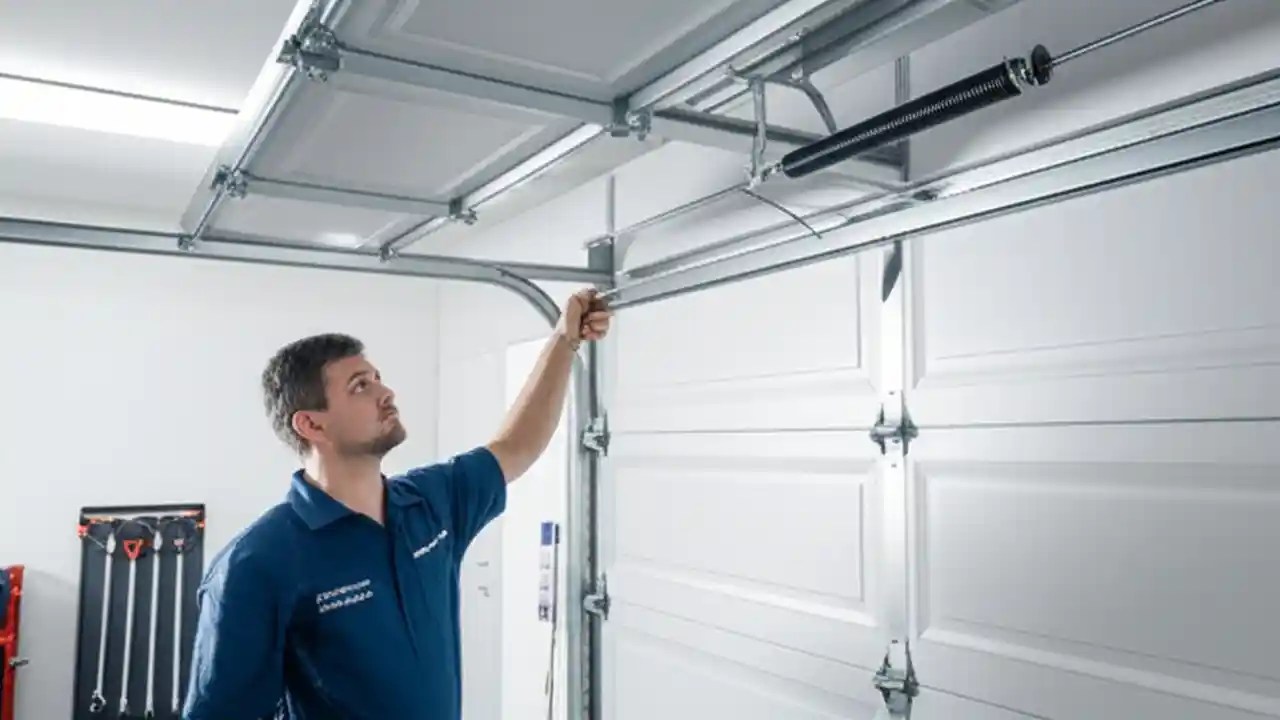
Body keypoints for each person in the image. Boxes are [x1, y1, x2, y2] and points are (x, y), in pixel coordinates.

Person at [181, 288, 613, 720]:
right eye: (360, 386)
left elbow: (516, 446)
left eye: (377, 378)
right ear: (311, 424)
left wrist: (564, 341)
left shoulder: (431, 502)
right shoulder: (255, 565)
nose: (386, 392)